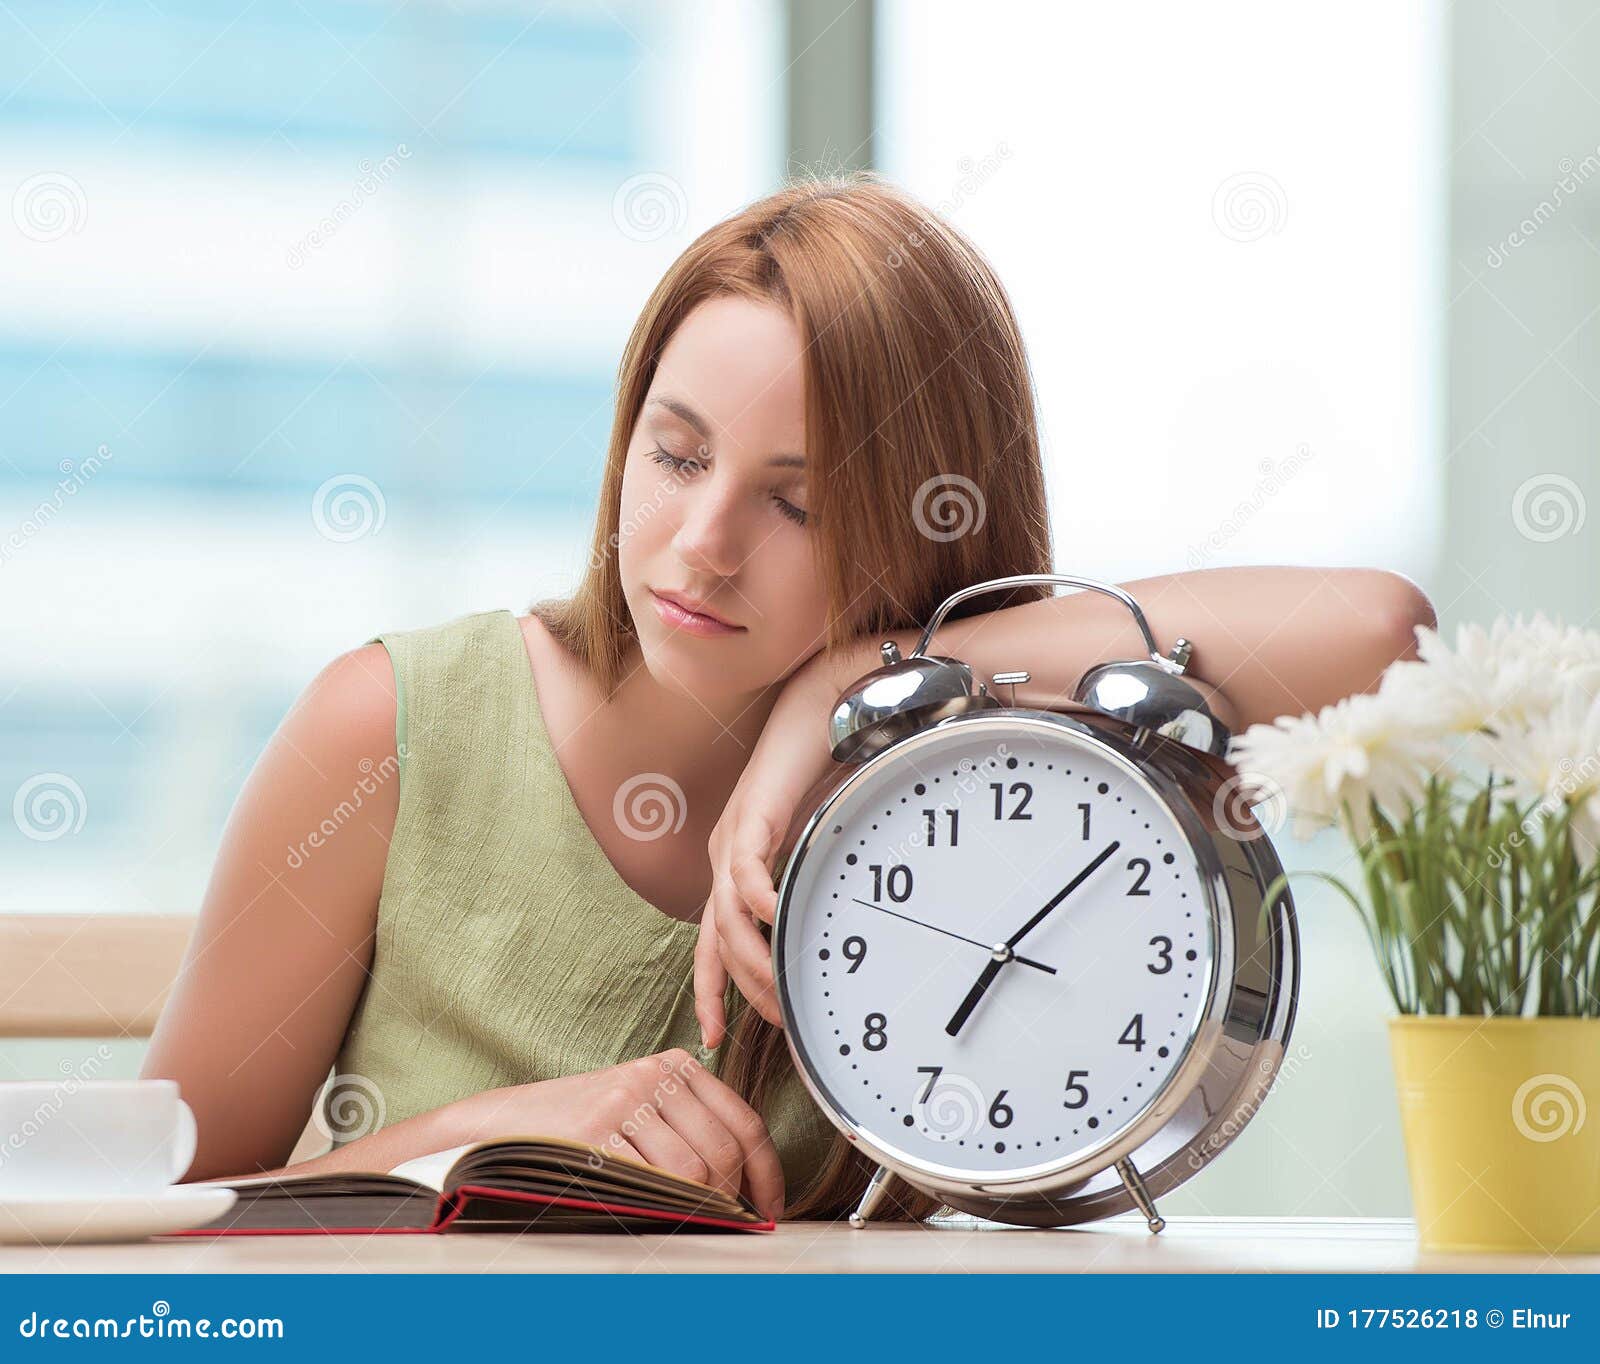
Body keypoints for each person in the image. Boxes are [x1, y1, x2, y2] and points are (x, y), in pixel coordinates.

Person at [143, 173, 1435, 1224]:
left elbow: (1383, 636)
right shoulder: (390, 732)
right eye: (676, 454)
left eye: (798, 504)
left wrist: (841, 687)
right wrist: (491, 1137)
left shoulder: (947, 775)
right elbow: (151, 1214)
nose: (703, 544)